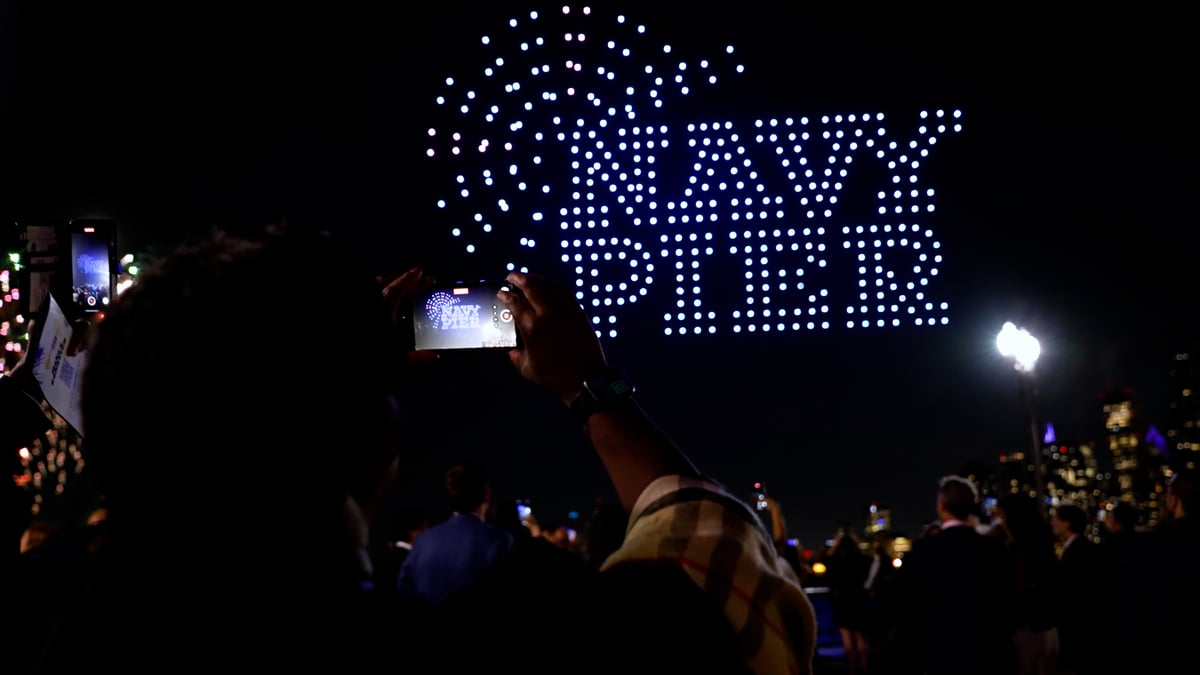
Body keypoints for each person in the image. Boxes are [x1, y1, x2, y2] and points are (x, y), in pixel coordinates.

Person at [25, 223, 815, 675]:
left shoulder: (62, 635)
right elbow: (711, 558)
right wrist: (590, 385)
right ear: (378, 440)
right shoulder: (498, 649)